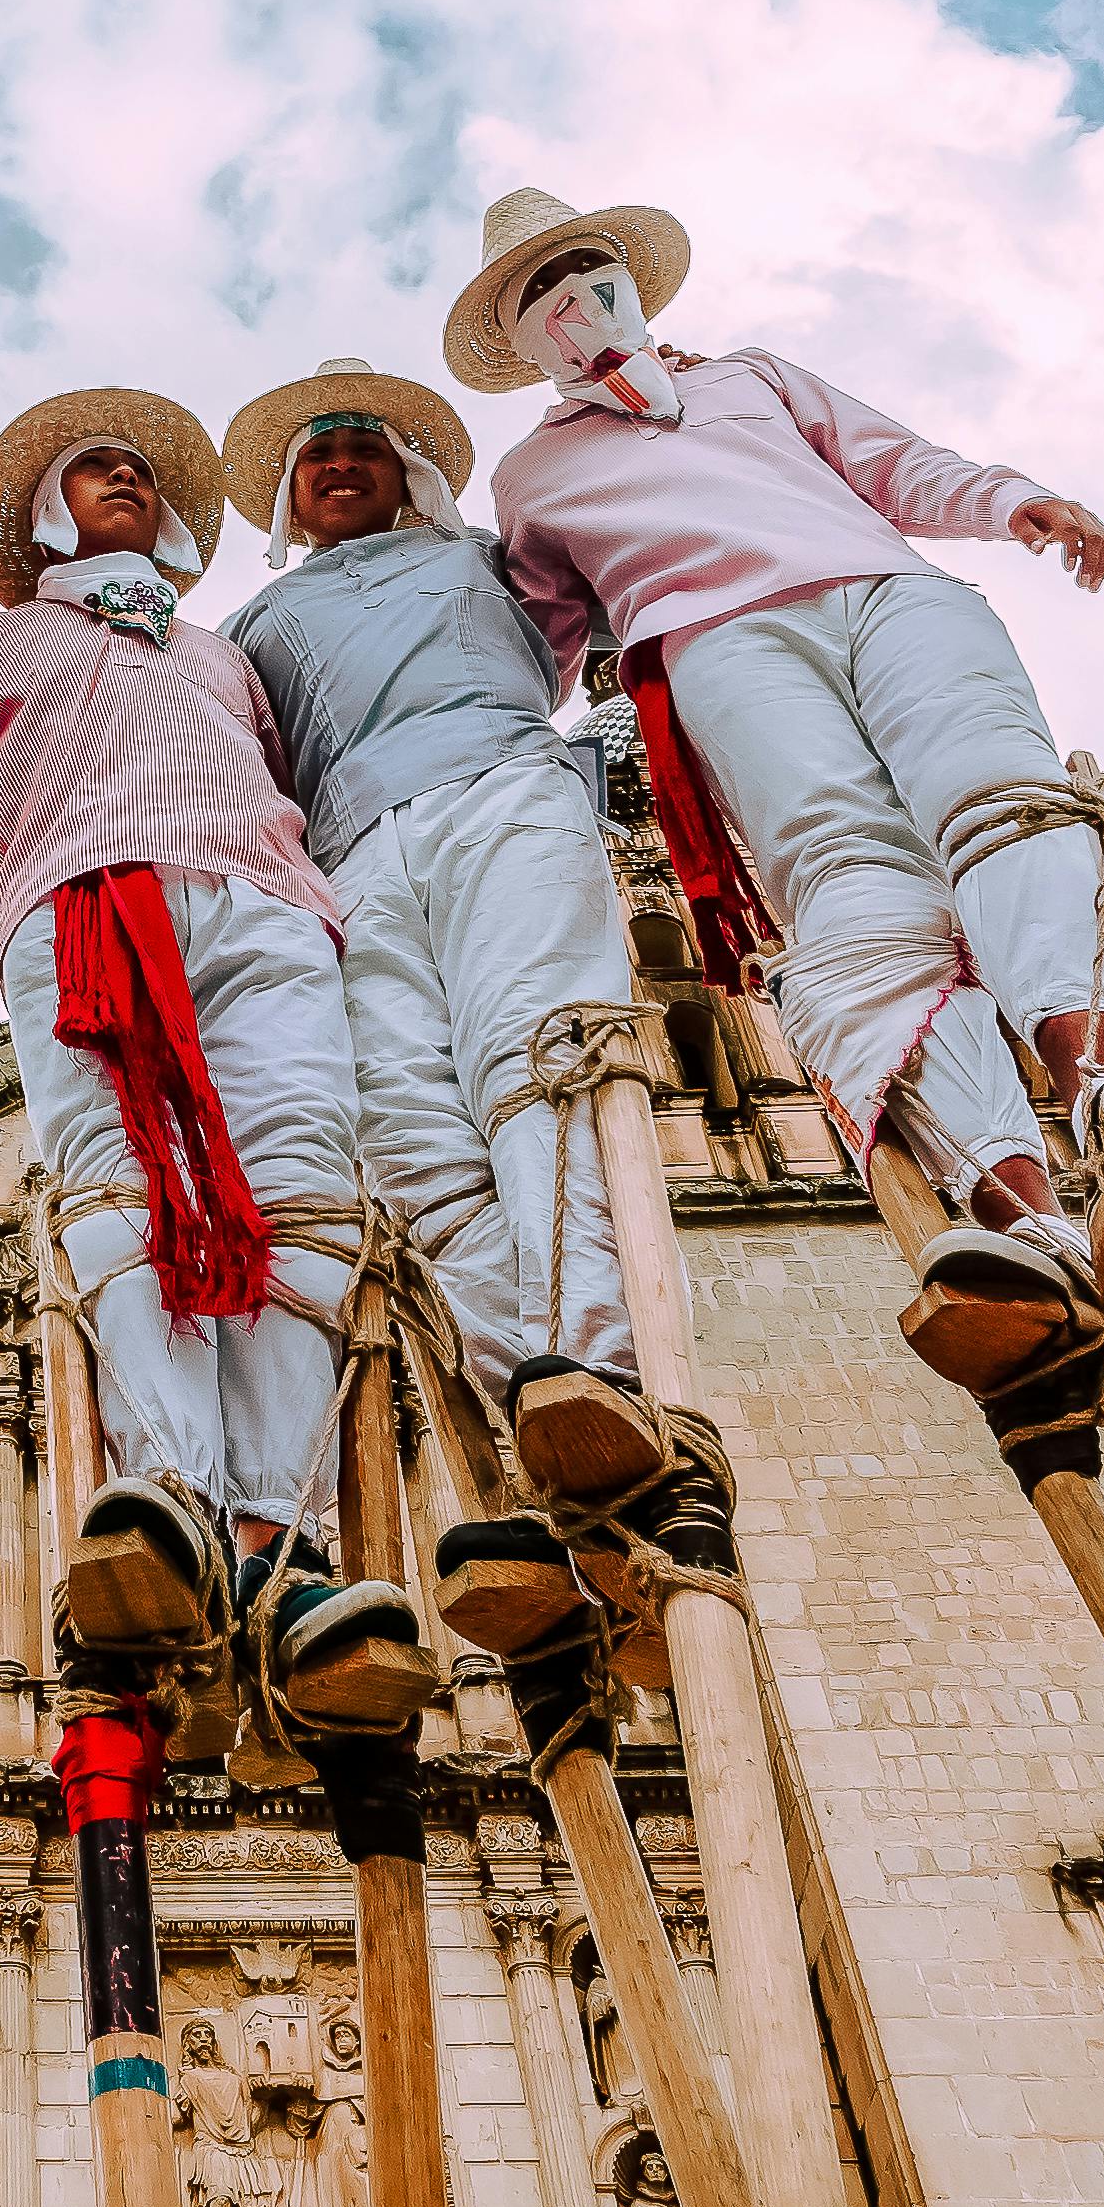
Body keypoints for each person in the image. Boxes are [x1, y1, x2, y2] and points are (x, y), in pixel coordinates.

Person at [446, 186, 1104, 1401]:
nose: (576, 300)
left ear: (633, 277)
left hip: (887, 592)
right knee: (850, 890)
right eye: (543, 293)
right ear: (522, 343)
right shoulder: (533, 476)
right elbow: (545, 641)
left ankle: (1102, 1089)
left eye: (590, 269)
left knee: (1006, 797)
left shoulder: (749, 376)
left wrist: (1008, 501)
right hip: (720, 649)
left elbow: (885, 460)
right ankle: (1022, 1209)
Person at [0, 390, 426, 1746]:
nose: (124, 477)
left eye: (139, 467)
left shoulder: (224, 656)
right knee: (111, 1187)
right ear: (37, 521)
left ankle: (280, 1524)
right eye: (91, 469)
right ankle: (173, 1507)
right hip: (81, 906)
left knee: (307, 1187)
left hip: (268, 903)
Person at [222, 352, 659, 1509]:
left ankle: (601, 1358)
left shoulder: (488, 558)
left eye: (363, 443)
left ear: (408, 467)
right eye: (315, 453)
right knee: (410, 1128)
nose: (338, 463)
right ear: (286, 495)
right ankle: (531, 1403)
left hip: (501, 790)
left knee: (541, 1054)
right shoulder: (252, 621)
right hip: (350, 861)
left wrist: (649, 398)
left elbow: (622, 549)